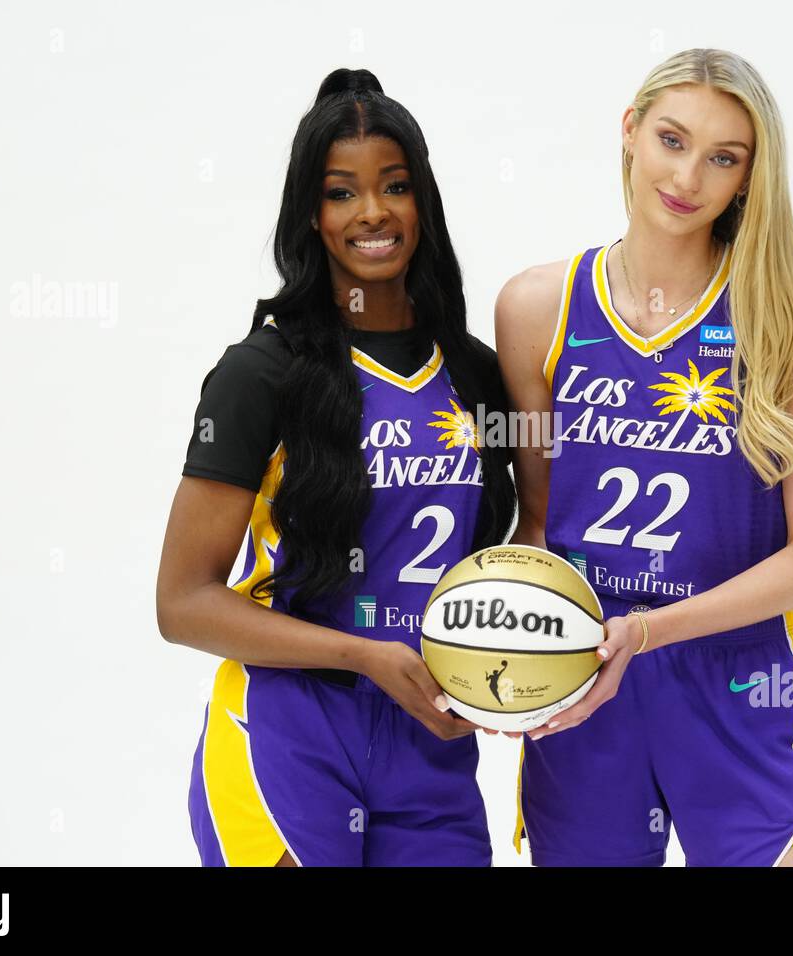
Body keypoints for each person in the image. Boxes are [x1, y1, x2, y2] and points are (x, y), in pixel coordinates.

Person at [493, 48, 793, 866]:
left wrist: (648, 632)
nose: (689, 176)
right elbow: (541, 524)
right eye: (672, 139)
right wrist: (496, 643)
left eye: (723, 158)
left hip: (738, 680)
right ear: (630, 131)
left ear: (748, 179)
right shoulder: (536, 309)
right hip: (585, 682)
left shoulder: (787, 312)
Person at [156, 68, 515, 866]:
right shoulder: (260, 375)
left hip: (430, 737)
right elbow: (181, 604)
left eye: (394, 185)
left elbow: (518, 548)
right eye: (341, 192)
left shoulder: (480, 376)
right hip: (290, 727)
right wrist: (359, 654)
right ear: (311, 216)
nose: (373, 212)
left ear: (423, 200)